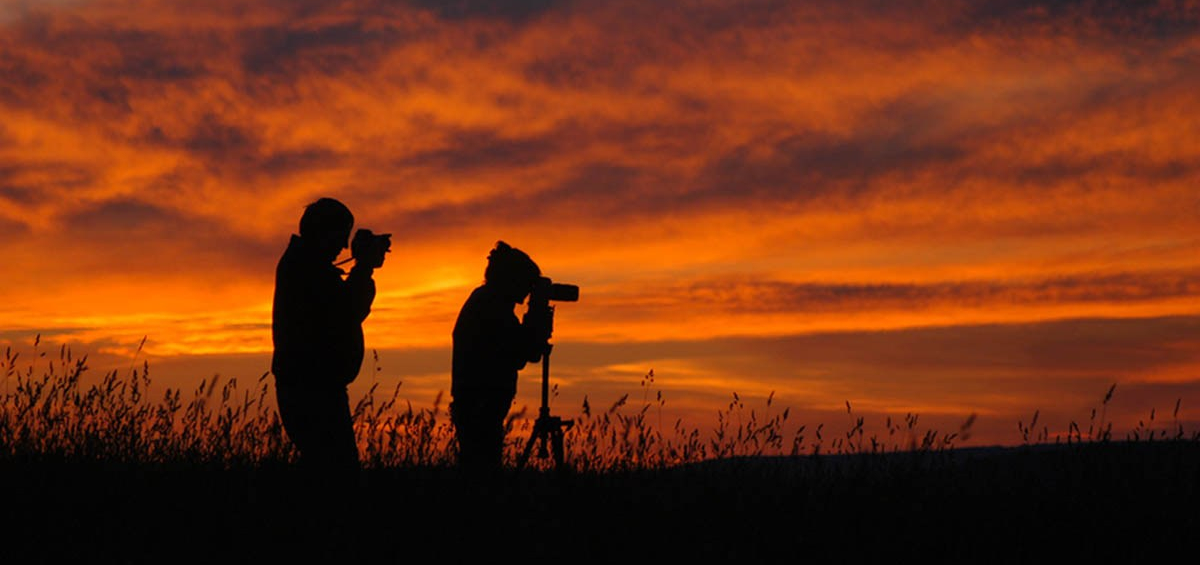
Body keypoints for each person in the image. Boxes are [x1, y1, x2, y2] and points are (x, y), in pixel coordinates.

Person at [271, 197, 389, 477]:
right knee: (336, 472)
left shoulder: (305, 265)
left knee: (324, 468)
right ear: (322, 232)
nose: (343, 247)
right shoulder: (307, 270)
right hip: (313, 389)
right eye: (340, 236)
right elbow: (348, 311)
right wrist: (364, 267)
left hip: (312, 386)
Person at [451, 241, 549, 473]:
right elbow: (525, 353)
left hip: (478, 402)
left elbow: (521, 351)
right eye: (526, 282)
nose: (527, 291)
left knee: (478, 466)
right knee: (482, 470)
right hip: (481, 404)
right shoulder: (491, 307)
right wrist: (536, 317)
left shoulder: (487, 301)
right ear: (511, 279)